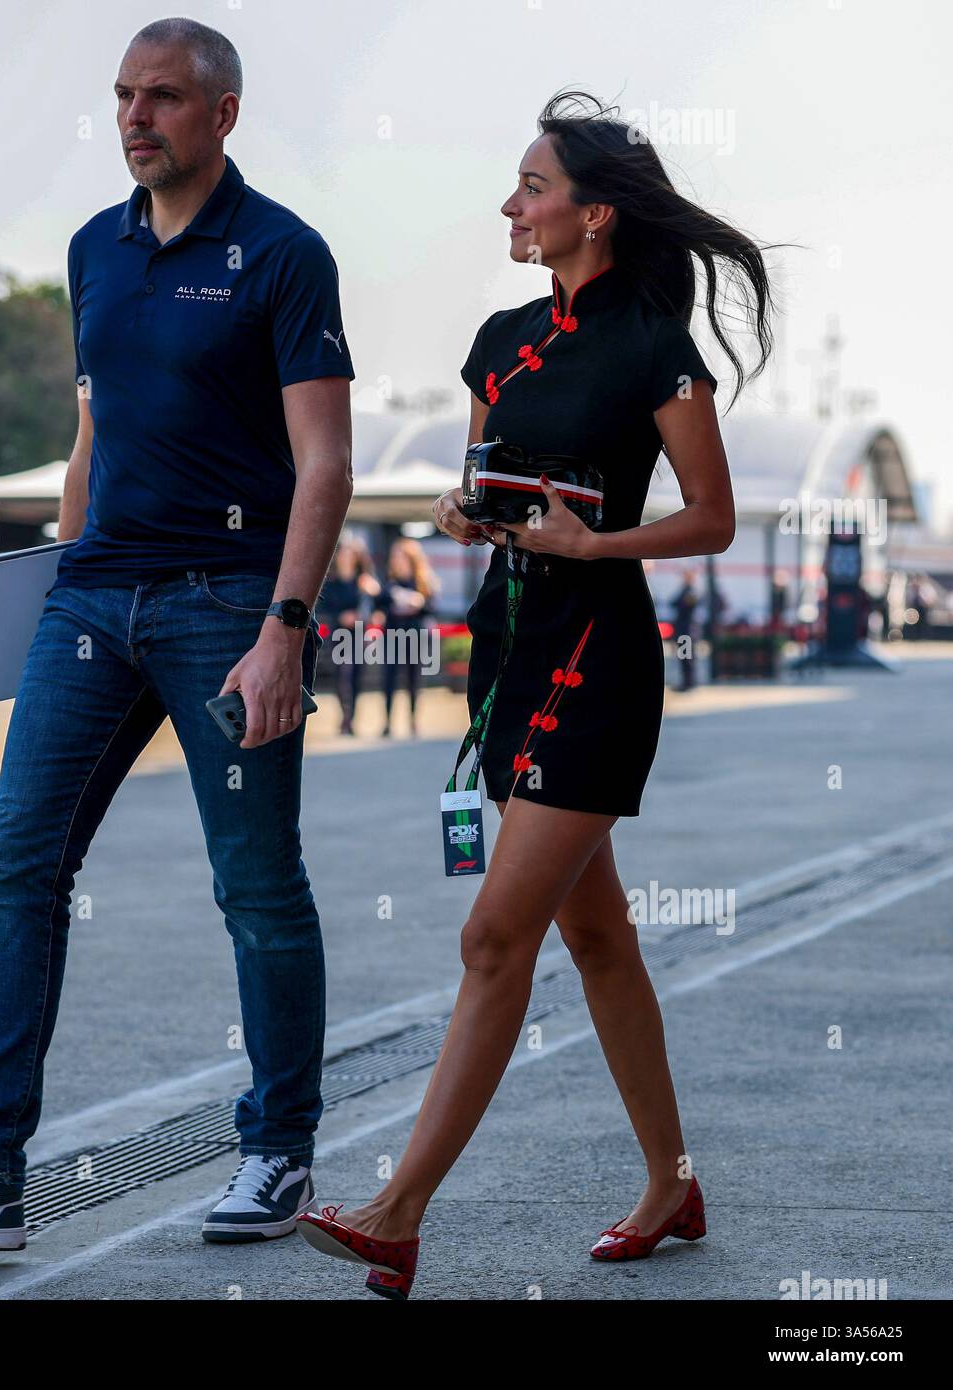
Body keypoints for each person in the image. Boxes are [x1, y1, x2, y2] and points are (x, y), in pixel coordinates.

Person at [0, 17, 355, 1252]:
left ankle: (278, 1152)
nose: (135, 117)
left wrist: (286, 629)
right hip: (92, 603)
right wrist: (58, 582)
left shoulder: (285, 254)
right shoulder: (92, 251)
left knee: (257, 884)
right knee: (17, 867)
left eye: (163, 98)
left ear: (222, 113)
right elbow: (92, 438)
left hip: (227, 605)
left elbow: (323, 460)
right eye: (124, 95)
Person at [297, 88, 773, 1298]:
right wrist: (470, 514)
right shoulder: (500, 336)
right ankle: (670, 1181)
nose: (511, 205)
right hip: (508, 647)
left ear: (594, 213)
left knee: (492, 933)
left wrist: (595, 545)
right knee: (599, 937)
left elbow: (712, 518)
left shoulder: (659, 342)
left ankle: (399, 1214)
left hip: (600, 656)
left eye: (532, 187)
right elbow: (478, 484)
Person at [317, 532, 379, 735]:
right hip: (338, 635)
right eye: (344, 554)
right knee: (342, 675)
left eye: (351, 555)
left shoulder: (363, 582)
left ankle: (351, 718)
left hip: (359, 635)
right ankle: (344, 716)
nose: (346, 558)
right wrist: (340, 617)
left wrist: (374, 592)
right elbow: (324, 609)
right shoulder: (331, 582)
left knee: (356, 677)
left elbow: (378, 605)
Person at [377, 537, 438, 736]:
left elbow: (430, 608)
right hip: (393, 633)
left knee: (413, 678)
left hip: (415, 634)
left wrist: (419, 603)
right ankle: (387, 722)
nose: (396, 561)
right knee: (389, 677)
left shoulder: (421, 582)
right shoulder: (388, 582)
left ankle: (413, 721)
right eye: (395, 557)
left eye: (401, 557)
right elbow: (380, 605)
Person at [669, 567, 701, 691]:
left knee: (687, 657)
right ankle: (687, 682)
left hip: (687, 631)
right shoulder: (685, 590)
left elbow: (681, 605)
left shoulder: (692, 591)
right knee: (684, 657)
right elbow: (674, 602)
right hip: (684, 630)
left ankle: (689, 683)